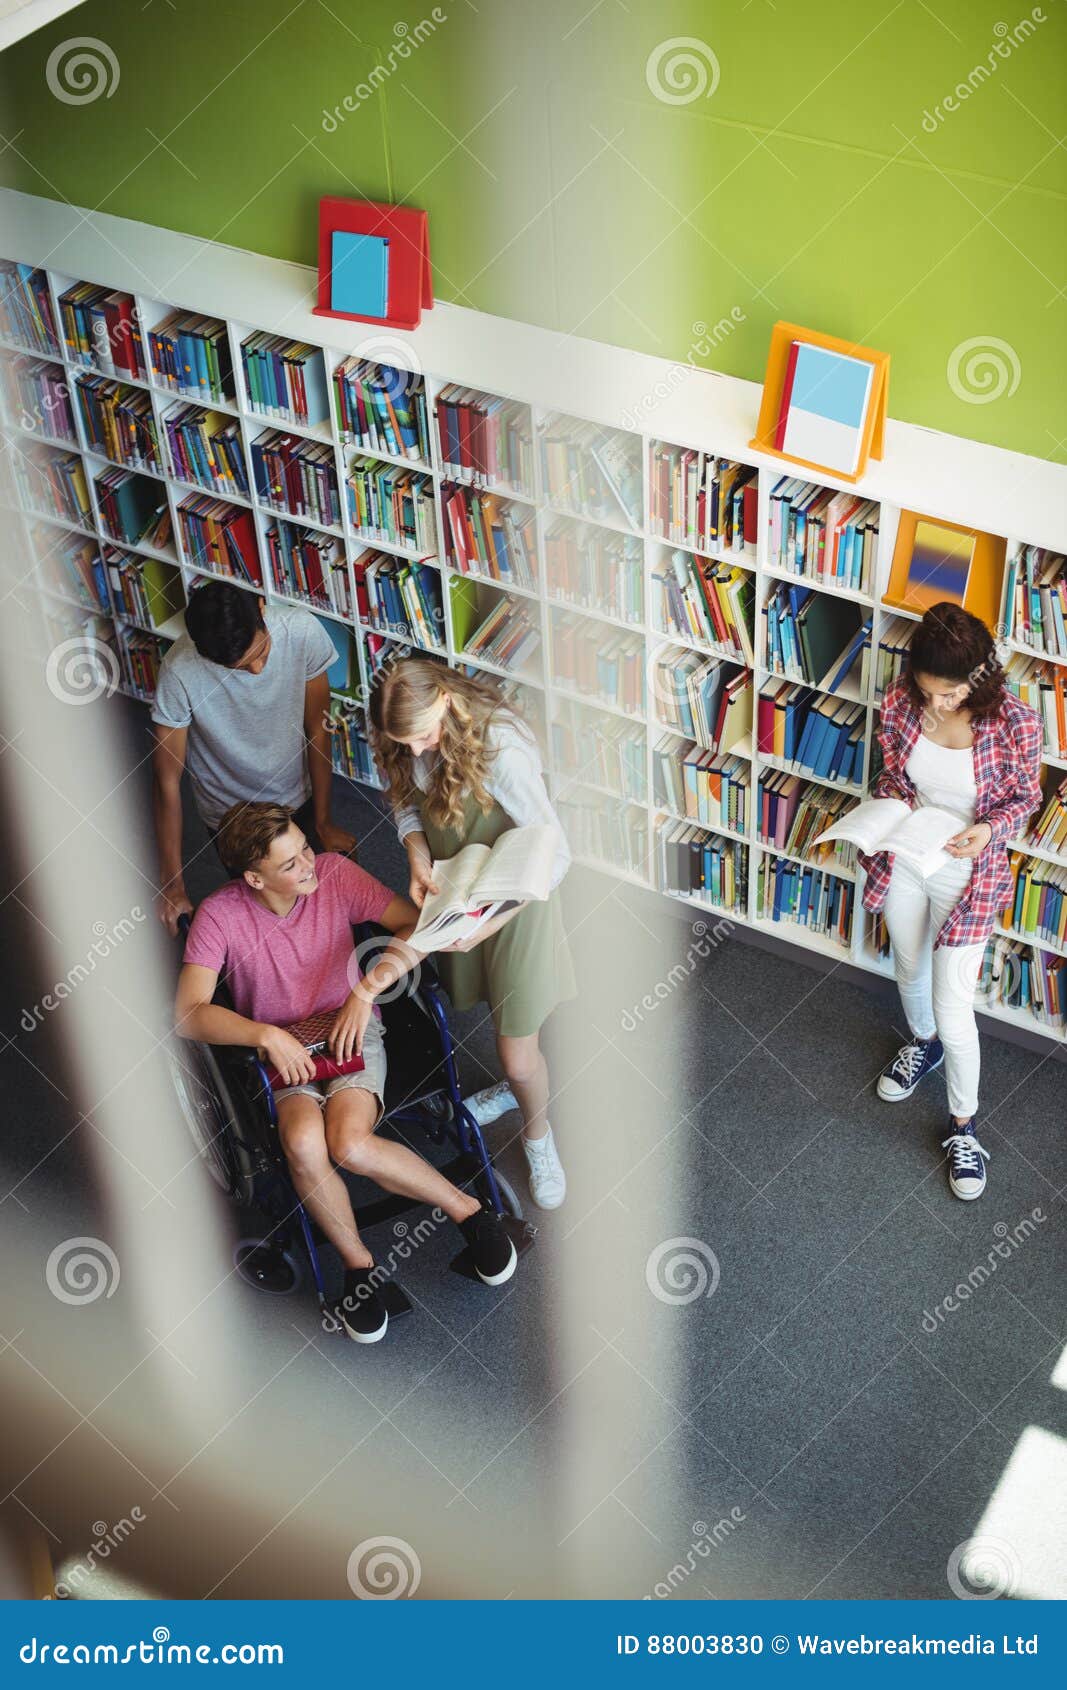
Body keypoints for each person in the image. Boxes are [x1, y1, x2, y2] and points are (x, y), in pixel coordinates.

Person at [174, 801, 517, 1344]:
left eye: (305, 849)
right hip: (284, 1049)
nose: (308, 865)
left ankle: (470, 1213)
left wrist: (367, 989)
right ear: (254, 877)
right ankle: (359, 1268)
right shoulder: (222, 915)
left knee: (350, 1144)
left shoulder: (333, 873)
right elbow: (189, 1012)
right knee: (305, 1145)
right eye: (291, 864)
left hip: (354, 1029)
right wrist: (265, 1034)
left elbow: (412, 925)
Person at [370, 660, 576, 1210]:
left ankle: (538, 1138)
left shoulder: (502, 749)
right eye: (403, 744)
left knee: (517, 1052)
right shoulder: (408, 743)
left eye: (421, 738)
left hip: (512, 906)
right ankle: (516, 1089)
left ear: (443, 703)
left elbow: (558, 856)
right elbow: (406, 804)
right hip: (458, 895)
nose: (415, 753)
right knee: (490, 1008)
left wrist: (493, 922)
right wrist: (416, 854)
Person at [860, 603, 1043, 1201]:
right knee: (908, 964)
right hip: (909, 855)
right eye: (927, 691)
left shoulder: (1014, 722)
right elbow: (893, 774)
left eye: (949, 693)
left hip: (969, 872)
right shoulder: (899, 700)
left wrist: (987, 830)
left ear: (980, 678)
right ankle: (922, 1044)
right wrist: (888, 812)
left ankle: (963, 1126)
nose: (935, 705)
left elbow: (1025, 797)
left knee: (955, 1006)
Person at [152, 581, 357, 934]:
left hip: (298, 796)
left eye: (261, 652)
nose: (258, 669)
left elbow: (318, 728)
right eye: (241, 667)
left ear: (262, 609)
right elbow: (167, 782)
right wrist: (172, 883)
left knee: (328, 906)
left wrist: (323, 819)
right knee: (274, 919)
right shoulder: (178, 672)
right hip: (232, 817)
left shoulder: (301, 630)